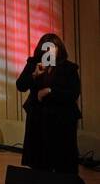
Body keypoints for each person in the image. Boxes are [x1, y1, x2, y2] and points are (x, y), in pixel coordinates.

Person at [16, 33, 82, 175]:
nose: (49, 51)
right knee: (39, 164)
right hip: (38, 119)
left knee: (63, 164)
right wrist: (34, 75)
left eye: (53, 48)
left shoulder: (68, 68)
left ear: (59, 49)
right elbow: (20, 85)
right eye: (46, 48)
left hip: (61, 120)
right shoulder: (34, 64)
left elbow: (73, 93)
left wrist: (49, 91)